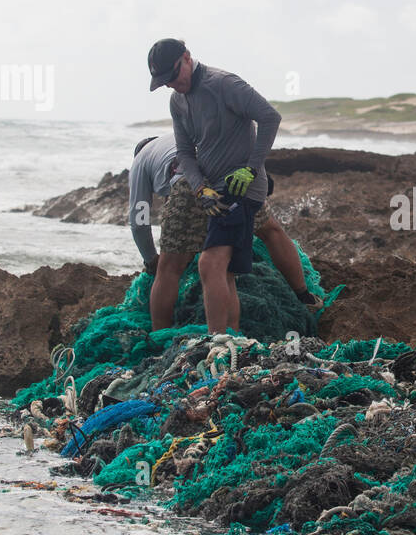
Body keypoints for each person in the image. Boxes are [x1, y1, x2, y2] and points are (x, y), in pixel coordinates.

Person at [148, 38, 281, 334]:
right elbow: (184, 152)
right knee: (224, 272)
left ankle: (217, 342)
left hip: (241, 188)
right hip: (213, 189)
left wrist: (251, 168)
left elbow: (270, 117)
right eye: (163, 82)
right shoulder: (177, 101)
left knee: (209, 265)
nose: (171, 84)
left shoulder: (223, 84)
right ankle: (229, 337)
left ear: (186, 58)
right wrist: (199, 188)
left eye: (172, 76)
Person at [130, 134, 322, 330]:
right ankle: (305, 296)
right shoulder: (174, 138)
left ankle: (159, 334)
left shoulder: (140, 160)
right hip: (231, 172)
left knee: (169, 267)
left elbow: (139, 220)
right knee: (271, 231)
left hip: (188, 181)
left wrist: (151, 259)